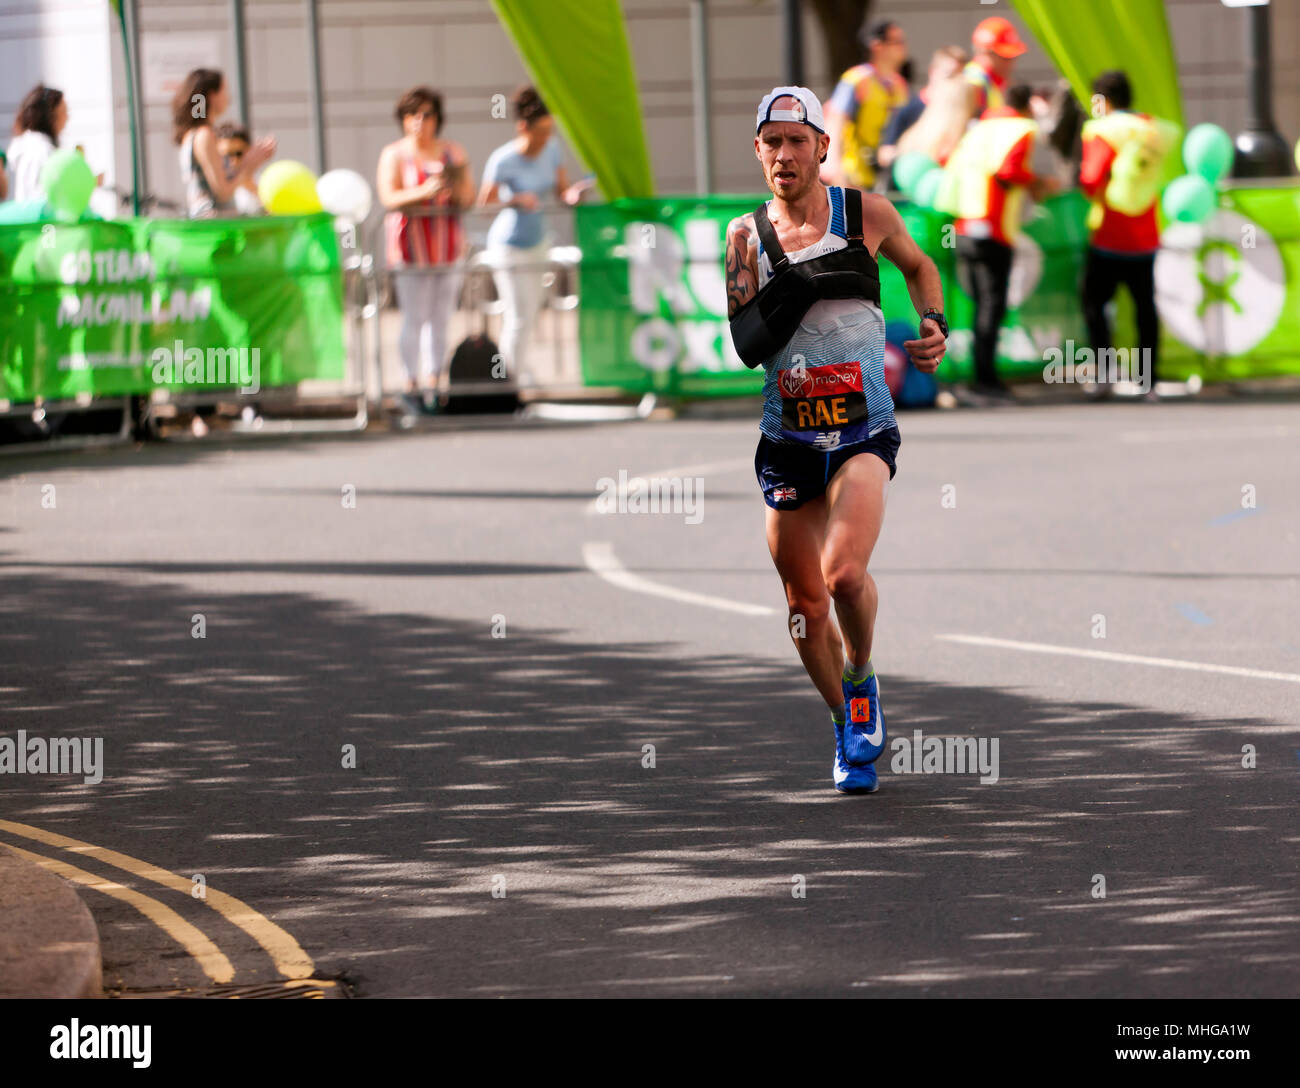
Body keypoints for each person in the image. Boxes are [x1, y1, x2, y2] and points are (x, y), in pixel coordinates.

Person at [725, 88, 947, 795]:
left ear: (822, 145)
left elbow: (917, 266)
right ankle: (844, 723)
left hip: (861, 427)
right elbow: (744, 343)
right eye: (771, 142)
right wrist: (800, 283)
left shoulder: (866, 214)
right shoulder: (743, 238)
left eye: (797, 140)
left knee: (844, 576)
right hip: (788, 438)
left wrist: (935, 321)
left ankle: (861, 675)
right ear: (758, 153)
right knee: (803, 608)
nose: (784, 154)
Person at [939, 84, 1059, 402]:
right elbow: (1008, 172)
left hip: (965, 224)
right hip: (993, 228)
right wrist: (1039, 183)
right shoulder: (1022, 129)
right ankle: (986, 381)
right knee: (992, 307)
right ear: (1028, 107)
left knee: (982, 306)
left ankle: (981, 378)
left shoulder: (979, 128)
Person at [477, 86, 590, 387]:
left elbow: (561, 191)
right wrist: (514, 200)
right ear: (522, 127)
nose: (544, 138)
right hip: (508, 245)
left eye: (549, 131)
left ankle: (517, 369)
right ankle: (505, 378)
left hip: (538, 241)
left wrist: (573, 195)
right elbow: (483, 205)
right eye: (540, 131)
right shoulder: (502, 159)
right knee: (517, 314)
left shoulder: (552, 149)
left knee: (531, 312)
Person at [1078, 70, 1177, 399]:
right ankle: (1148, 380)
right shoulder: (1155, 128)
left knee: (1094, 301)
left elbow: (1090, 178)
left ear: (1103, 101)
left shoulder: (1102, 130)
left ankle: (1105, 373)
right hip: (1146, 231)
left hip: (1109, 232)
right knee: (1144, 306)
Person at [377, 86, 474, 413]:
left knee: (441, 318)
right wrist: (423, 191)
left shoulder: (452, 152)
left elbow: (468, 197)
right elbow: (388, 197)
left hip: (446, 247)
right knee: (414, 318)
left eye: (427, 114)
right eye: (412, 114)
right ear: (403, 120)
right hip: (411, 250)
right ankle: (410, 383)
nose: (420, 121)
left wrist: (453, 187)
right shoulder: (394, 154)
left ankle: (435, 380)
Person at [173, 68, 274, 220]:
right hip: (215, 227)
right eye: (224, 90)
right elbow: (223, 193)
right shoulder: (204, 135)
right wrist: (247, 163)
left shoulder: (192, 134)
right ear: (212, 96)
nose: (228, 97)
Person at [823, 19, 910, 190]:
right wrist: (835, 168)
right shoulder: (857, 80)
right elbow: (836, 121)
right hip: (853, 175)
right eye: (897, 42)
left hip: (883, 174)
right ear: (877, 46)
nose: (903, 48)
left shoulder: (899, 85)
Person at [878, 47, 968, 184]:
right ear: (933, 72)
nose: (955, 83)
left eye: (960, 76)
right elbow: (884, 154)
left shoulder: (964, 110)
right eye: (950, 75)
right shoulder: (908, 109)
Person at [962, 16, 1027, 122]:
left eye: (1013, 56)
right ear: (983, 51)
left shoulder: (995, 80)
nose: (1011, 63)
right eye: (1005, 57)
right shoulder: (974, 81)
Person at [7, 84, 65, 202]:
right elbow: (43, 196)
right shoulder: (41, 150)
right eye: (63, 112)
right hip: (42, 219)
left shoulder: (28, 146)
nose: (67, 117)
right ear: (50, 116)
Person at [215, 122, 264, 215]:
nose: (233, 160)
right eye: (225, 155)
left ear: (249, 151)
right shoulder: (213, 192)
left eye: (239, 153)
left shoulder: (264, 185)